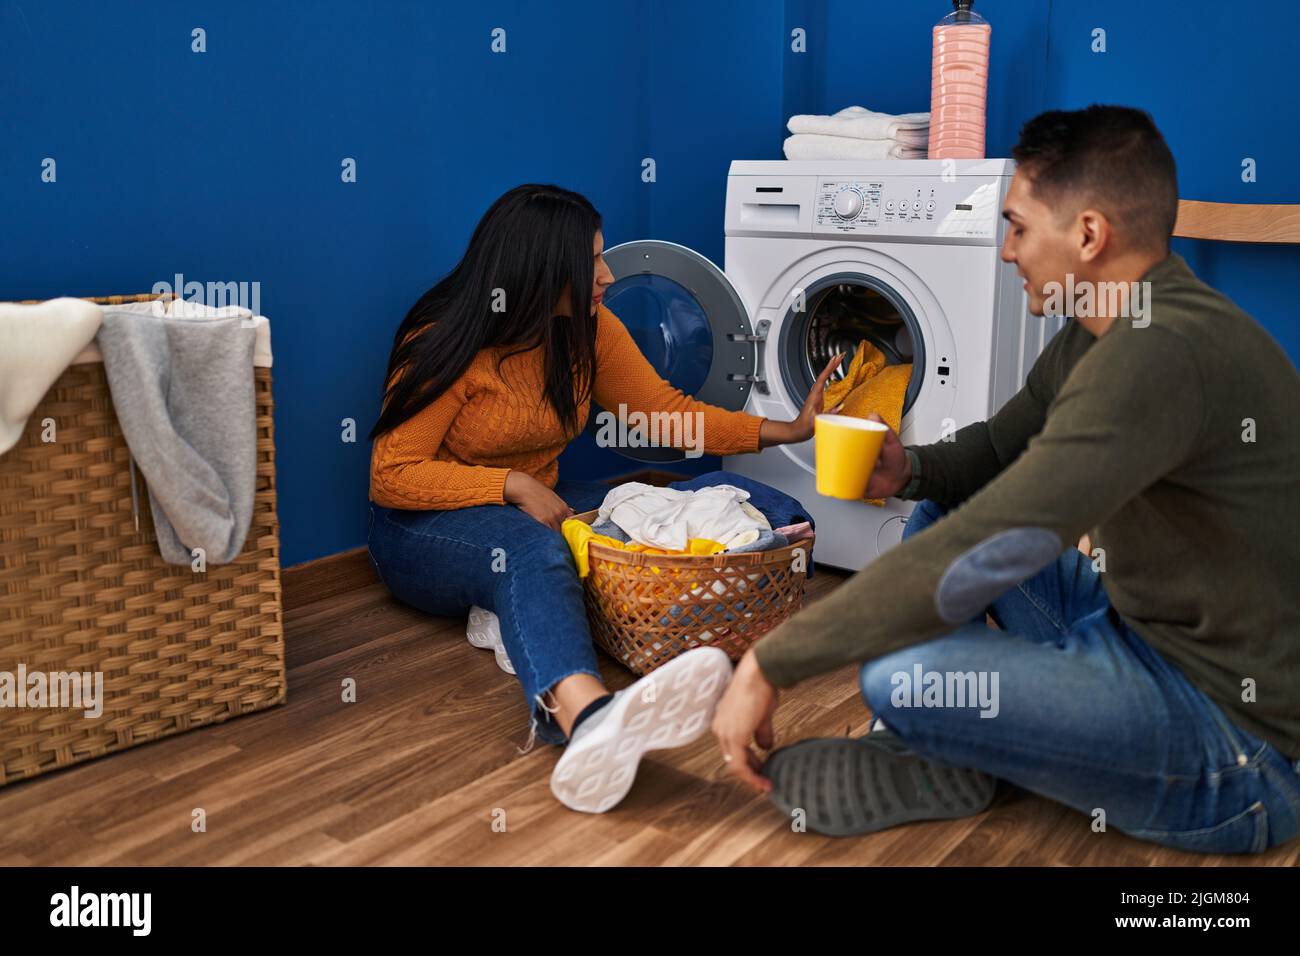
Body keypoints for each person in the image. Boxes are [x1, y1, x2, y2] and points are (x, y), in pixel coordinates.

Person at [712, 104, 1300, 854]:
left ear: (1087, 235)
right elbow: (996, 449)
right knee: (944, 508)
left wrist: (772, 659)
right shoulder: (1099, 333)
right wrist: (914, 468)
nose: (1005, 251)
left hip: (1238, 750)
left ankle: (955, 741)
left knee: (901, 677)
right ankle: (957, 750)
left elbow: (1005, 536)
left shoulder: (1159, 353)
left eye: (1019, 227)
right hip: (1138, 636)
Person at [365, 183, 841, 814]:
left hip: (542, 501)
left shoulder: (586, 327)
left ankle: (525, 612)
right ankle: (590, 721)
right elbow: (391, 474)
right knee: (534, 550)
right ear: (541, 268)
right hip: (423, 527)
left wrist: (788, 430)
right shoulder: (445, 338)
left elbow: (661, 414)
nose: (608, 274)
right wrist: (510, 484)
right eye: (590, 262)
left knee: (682, 495)